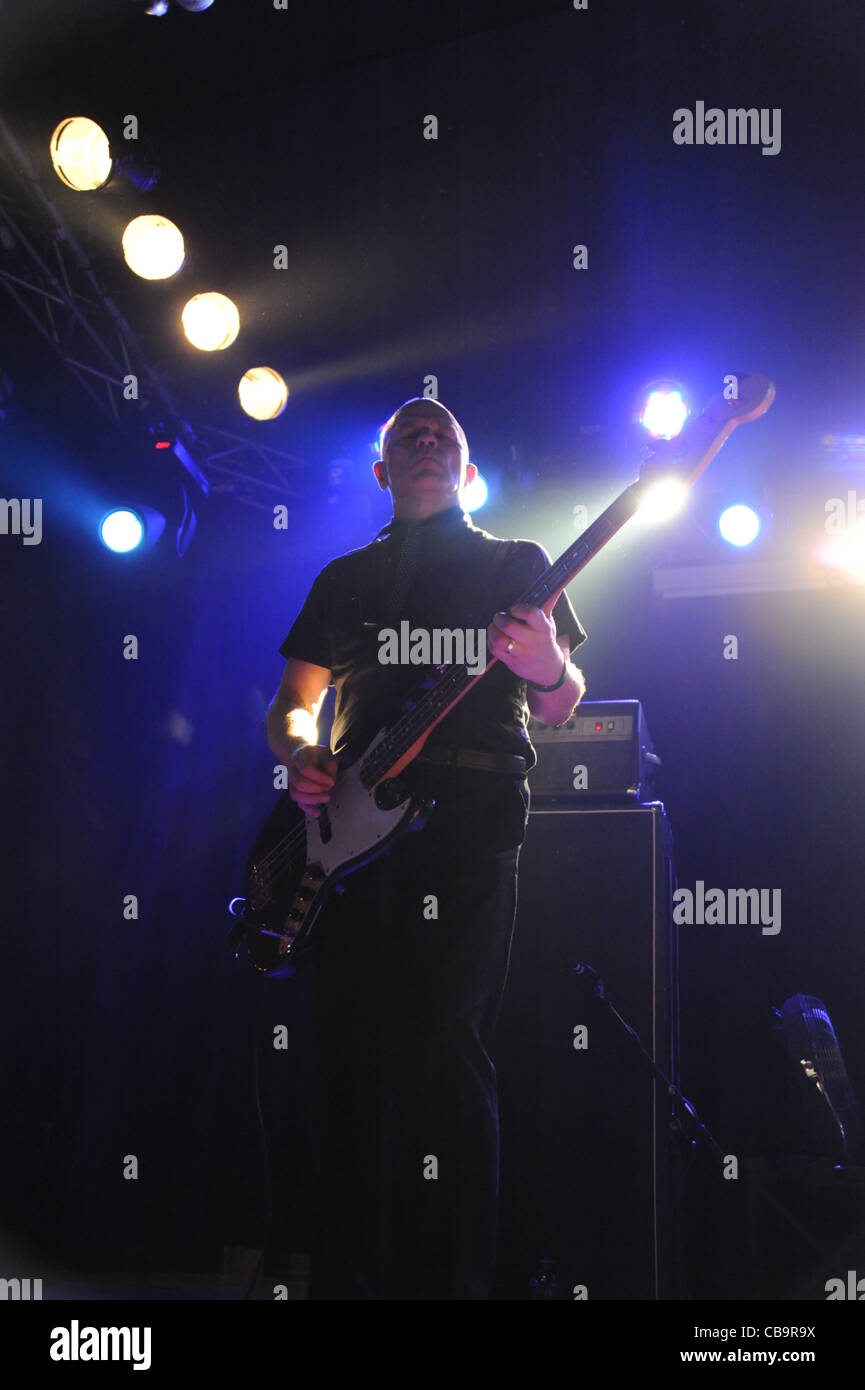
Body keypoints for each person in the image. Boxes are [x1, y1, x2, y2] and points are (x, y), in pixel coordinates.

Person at [265, 397, 587, 1299]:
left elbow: (562, 704)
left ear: (466, 465)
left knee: (448, 1049)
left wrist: (546, 669)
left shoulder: (517, 565)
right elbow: (293, 703)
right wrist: (302, 752)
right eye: (407, 434)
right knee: (349, 1058)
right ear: (380, 471)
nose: (425, 442)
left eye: (442, 434)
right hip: (352, 838)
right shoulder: (343, 578)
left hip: (472, 823)